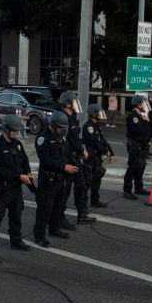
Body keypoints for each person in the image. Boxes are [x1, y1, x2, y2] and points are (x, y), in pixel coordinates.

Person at [0, 114, 34, 259]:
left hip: (16, 188)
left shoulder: (17, 144)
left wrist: (28, 172)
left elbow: (24, 160)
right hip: (2, 189)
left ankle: (16, 241)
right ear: (6, 129)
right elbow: (0, 170)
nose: (16, 133)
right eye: (14, 130)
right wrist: (19, 176)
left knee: (16, 216)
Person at [33, 111, 80, 246]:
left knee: (58, 206)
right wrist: (64, 166)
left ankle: (54, 228)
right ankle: (39, 235)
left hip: (61, 179)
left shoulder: (60, 137)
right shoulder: (43, 139)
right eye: (60, 127)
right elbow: (46, 160)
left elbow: (67, 152)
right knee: (45, 208)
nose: (61, 130)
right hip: (49, 180)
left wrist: (74, 162)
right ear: (53, 125)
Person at [58, 91, 91, 224]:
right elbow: (71, 140)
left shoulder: (70, 118)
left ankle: (82, 214)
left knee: (81, 185)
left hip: (74, 158)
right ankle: (60, 218)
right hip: (67, 159)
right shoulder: (63, 119)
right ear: (67, 104)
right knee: (64, 191)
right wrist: (82, 150)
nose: (75, 105)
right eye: (73, 102)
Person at [82, 104, 115, 208]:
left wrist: (110, 152)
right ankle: (82, 206)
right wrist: (105, 151)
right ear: (93, 114)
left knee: (97, 181)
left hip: (97, 158)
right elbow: (95, 142)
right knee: (87, 182)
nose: (100, 115)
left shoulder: (97, 126)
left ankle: (95, 200)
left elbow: (103, 140)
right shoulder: (89, 126)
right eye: (98, 113)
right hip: (91, 158)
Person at [123, 95, 152, 200]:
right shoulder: (133, 117)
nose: (144, 106)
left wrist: (147, 121)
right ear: (138, 105)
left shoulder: (141, 117)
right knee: (132, 168)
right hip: (135, 145)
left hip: (142, 146)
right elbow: (138, 130)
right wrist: (145, 122)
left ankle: (138, 187)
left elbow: (149, 131)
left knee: (141, 167)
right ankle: (127, 190)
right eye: (142, 104)